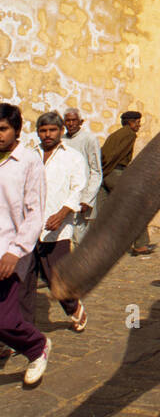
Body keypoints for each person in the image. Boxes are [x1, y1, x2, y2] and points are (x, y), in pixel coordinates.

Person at [22, 111, 88, 331]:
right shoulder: (30, 156)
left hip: (58, 229)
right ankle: (22, 330)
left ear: (61, 131)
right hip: (29, 227)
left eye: (52, 130)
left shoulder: (73, 157)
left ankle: (74, 307)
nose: (47, 134)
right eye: (43, 130)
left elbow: (78, 189)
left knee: (55, 278)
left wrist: (61, 214)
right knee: (25, 282)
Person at [0, 103, 51, 386]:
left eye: (3, 129)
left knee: (5, 320)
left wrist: (16, 252)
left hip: (9, 250)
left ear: (16, 130)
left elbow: (35, 213)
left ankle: (37, 347)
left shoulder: (29, 161)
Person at [101, 110, 154, 256]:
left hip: (107, 175)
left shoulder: (116, 134)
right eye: (137, 122)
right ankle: (141, 245)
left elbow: (104, 154)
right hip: (115, 173)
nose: (139, 125)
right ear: (130, 123)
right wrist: (110, 170)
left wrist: (102, 172)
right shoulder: (129, 135)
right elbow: (114, 156)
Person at [63, 107, 102, 245]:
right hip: (66, 195)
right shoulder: (62, 141)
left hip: (82, 197)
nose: (71, 123)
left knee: (80, 237)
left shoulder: (89, 139)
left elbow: (96, 171)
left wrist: (87, 199)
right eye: (68, 120)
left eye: (74, 120)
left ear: (81, 122)